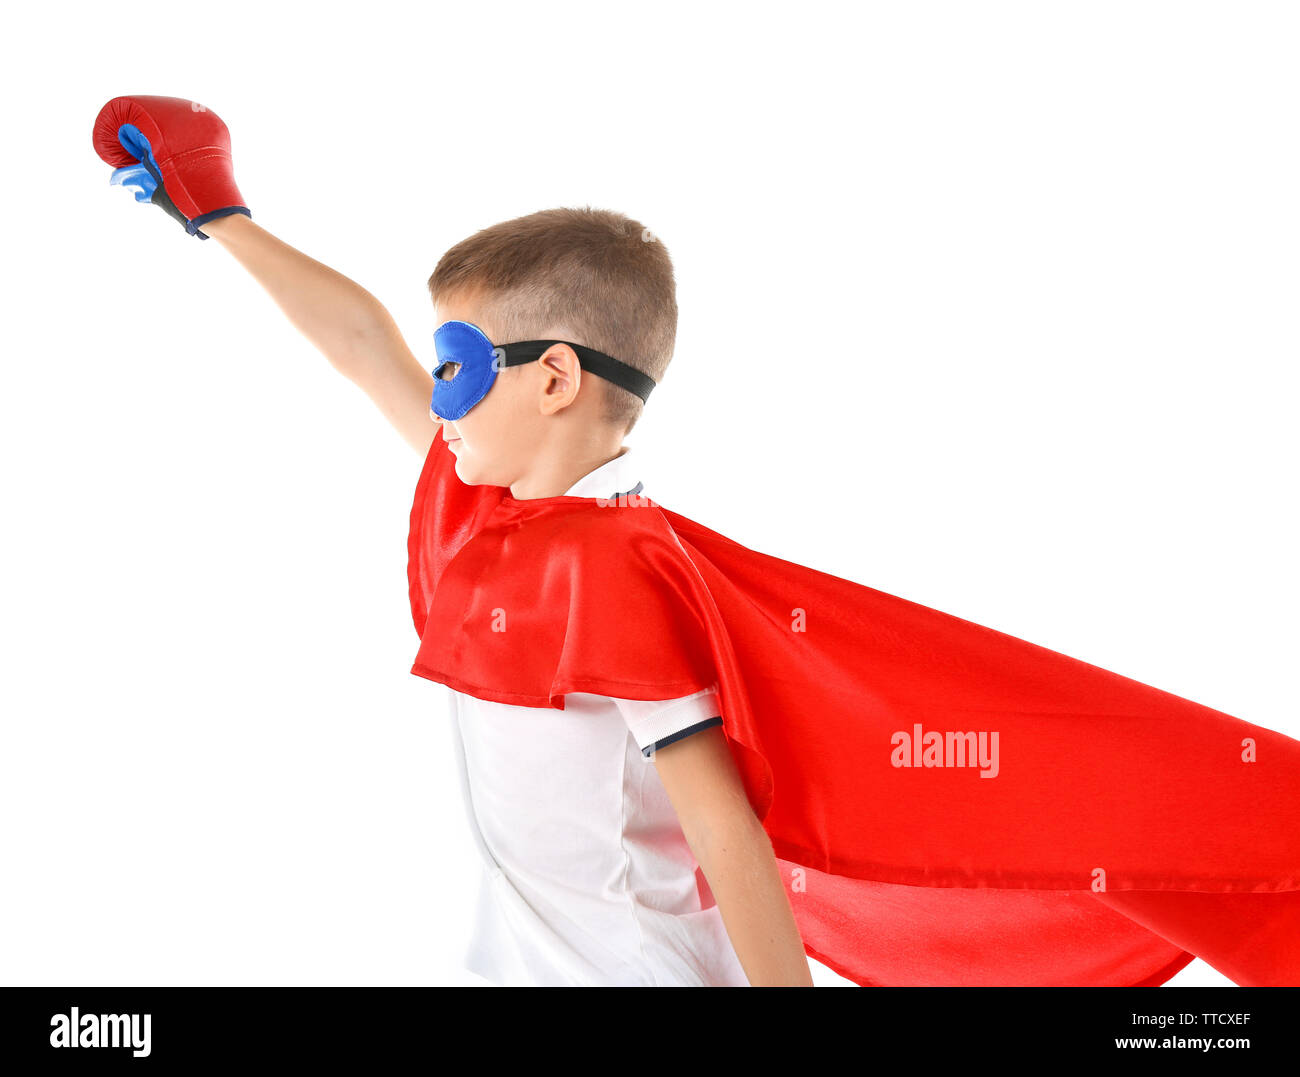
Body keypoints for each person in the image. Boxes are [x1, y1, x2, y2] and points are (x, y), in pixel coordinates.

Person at [93, 95, 1300, 988]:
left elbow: (721, 824)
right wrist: (221, 214)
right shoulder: (498, 510)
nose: (437, 400)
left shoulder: (608, 565)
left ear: (555, 379)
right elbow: (363, 345)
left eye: (457, 370)